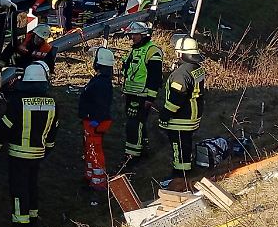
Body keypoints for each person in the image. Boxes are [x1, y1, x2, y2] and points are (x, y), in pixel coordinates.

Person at [0, 61, 57, 227]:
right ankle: (33, 217)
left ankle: (20, 225)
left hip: (18, 154)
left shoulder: (18, 102)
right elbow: (53, 130)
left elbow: (6, 127)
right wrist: (47, 149)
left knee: (18, 188)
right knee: (32, 185)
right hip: (38, 153)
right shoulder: (52, 102)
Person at [159, 37, 207, 190]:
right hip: (193, 114)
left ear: (180, 53)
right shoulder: (197, 68)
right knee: (185, 145)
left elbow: (176, 97)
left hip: (181, 119)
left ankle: (180, 177)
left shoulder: (181, 74)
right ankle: (185, 170)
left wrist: (165, 113)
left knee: (179, 148)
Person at [120, 21, 164, 165]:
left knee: (134, 125)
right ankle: (143, 148)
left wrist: (150, 98)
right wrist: (125, 90)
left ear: (143, 35)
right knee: (138, 123)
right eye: (131, 34)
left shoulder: (152, 51)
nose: (132, 37)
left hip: (142, 96)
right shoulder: (135, 49)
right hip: (131, 94)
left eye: (135, 34)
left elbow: (155, 77)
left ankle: (132, 157)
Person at [79, 47, 115, 191]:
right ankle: (90, 176)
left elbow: (101, 106)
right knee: (90, 149)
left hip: (95, 122)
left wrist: (95, 122)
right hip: (92, 121)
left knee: (95, 151)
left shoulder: (101, 83)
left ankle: (98, 182)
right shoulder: (100, 81)